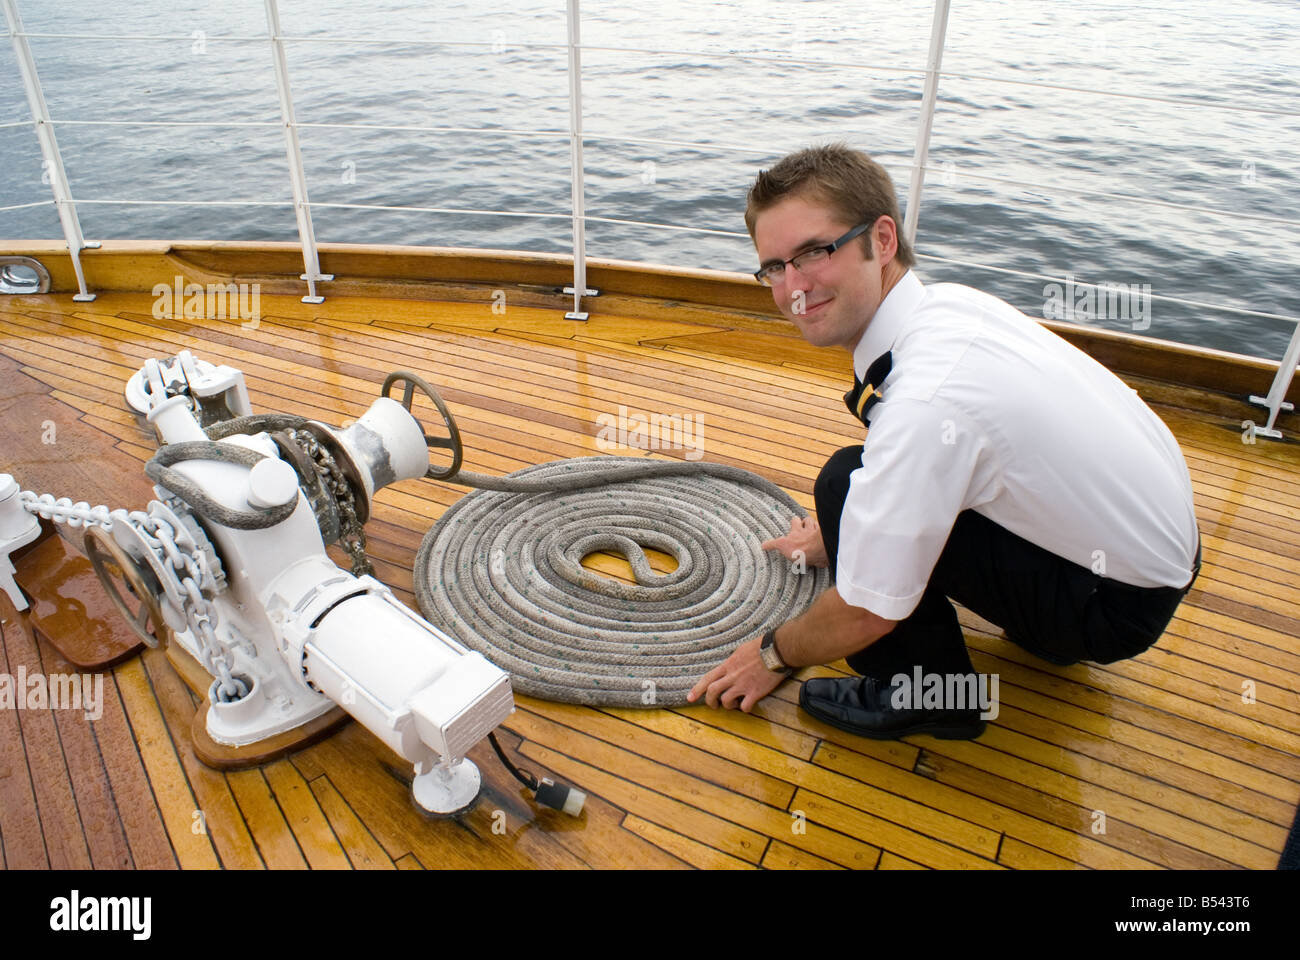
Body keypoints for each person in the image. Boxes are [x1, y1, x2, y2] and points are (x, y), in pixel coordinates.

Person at [686, 143, 1201, 740]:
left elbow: (867, 610)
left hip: (1110, 608)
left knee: (845, 484)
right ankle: (1041, 630)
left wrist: (772, 652)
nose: (793, 288)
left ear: (881, 240)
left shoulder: (927, 400)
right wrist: (839, 536)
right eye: (775, 267)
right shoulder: (947, 306)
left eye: (813, 253)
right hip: (1138, 562)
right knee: (858, 494)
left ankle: (935, 700)